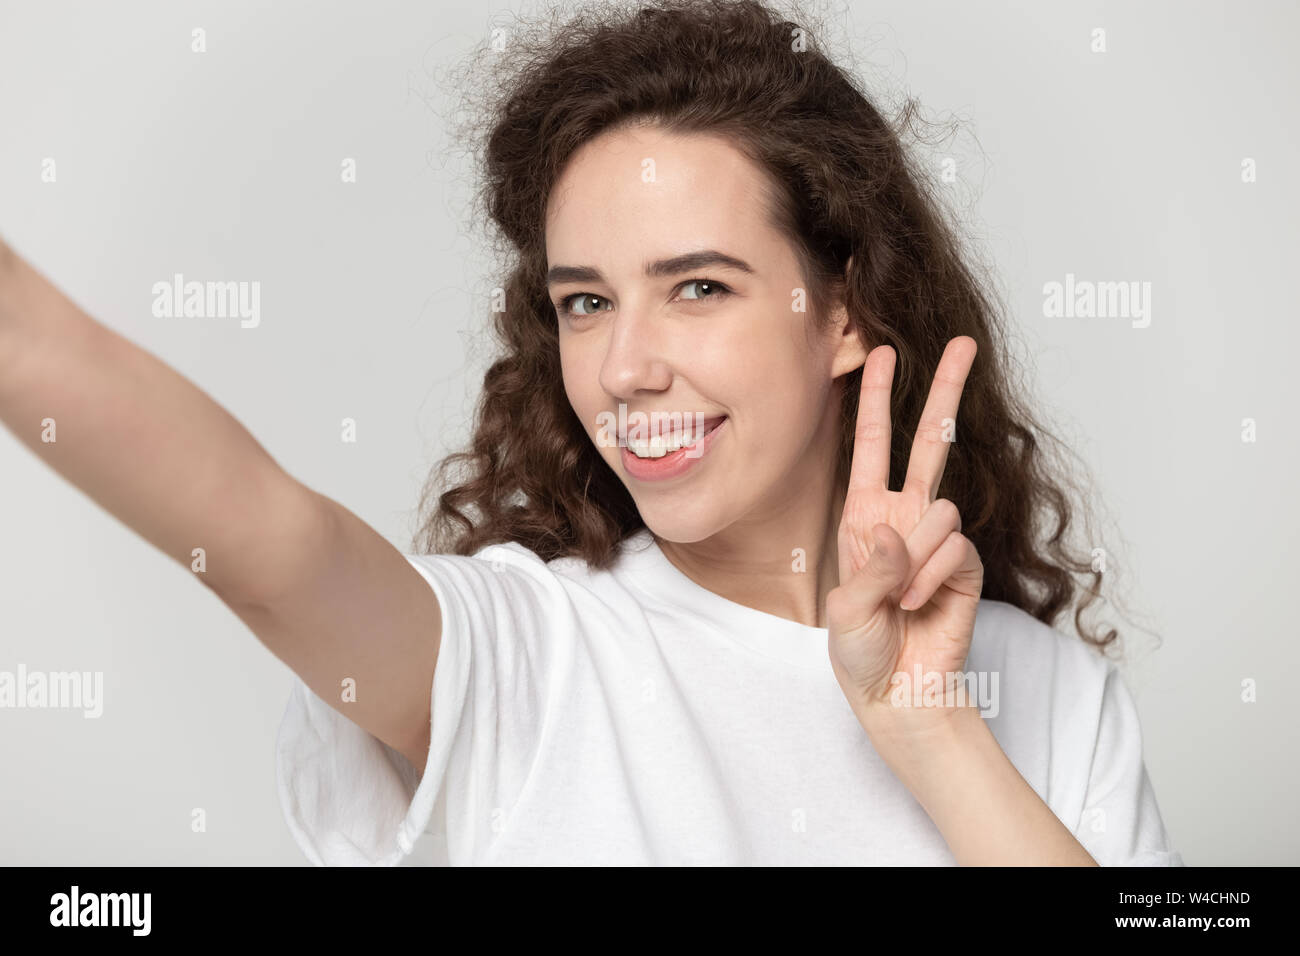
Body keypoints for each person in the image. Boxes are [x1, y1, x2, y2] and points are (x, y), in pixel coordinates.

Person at [0, 0, 1183, 866]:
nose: (623, 367)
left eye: (700, 287)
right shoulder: (523, 652)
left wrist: (933, 736)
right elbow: (264, 543)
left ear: (845, 311)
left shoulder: (1053, 698)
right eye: (585, 301)